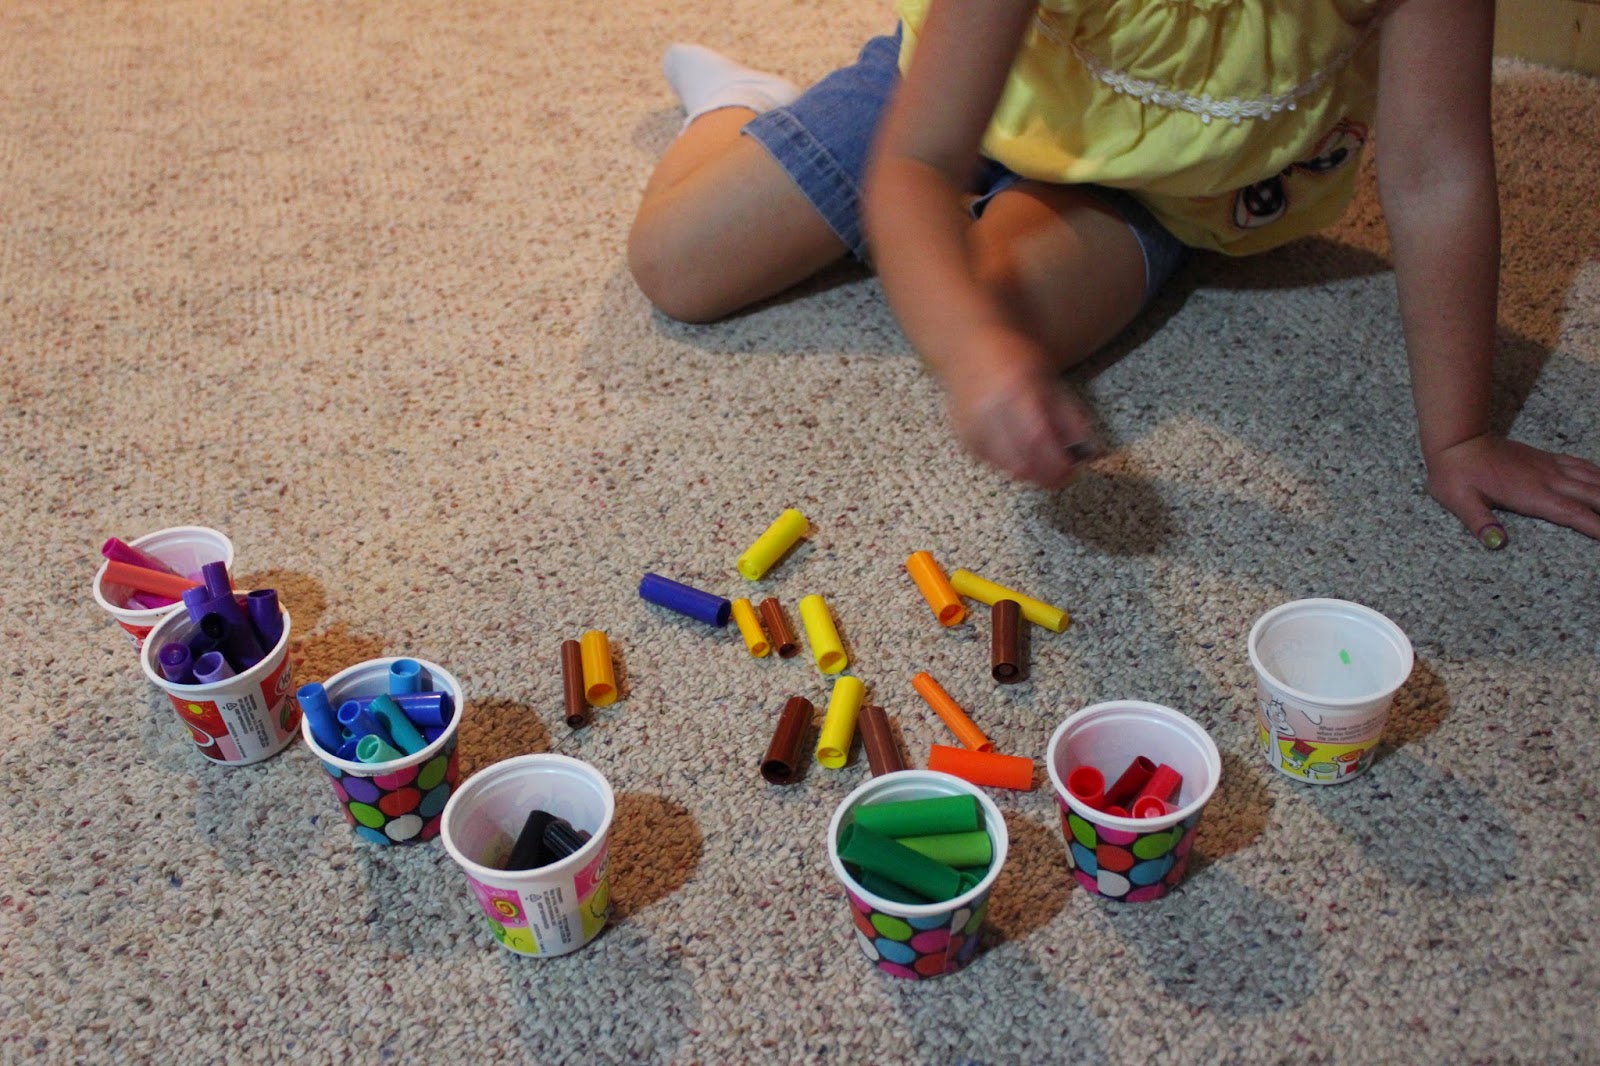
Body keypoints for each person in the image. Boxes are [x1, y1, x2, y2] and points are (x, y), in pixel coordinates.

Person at [627, 0, 1600, 549]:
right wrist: (967, 353)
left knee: (988, 307)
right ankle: (740, 103)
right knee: (676, 263)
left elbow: (1437, 174)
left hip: (1160, 183)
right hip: (968, 92)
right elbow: (917, 161)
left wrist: (1462, 433)